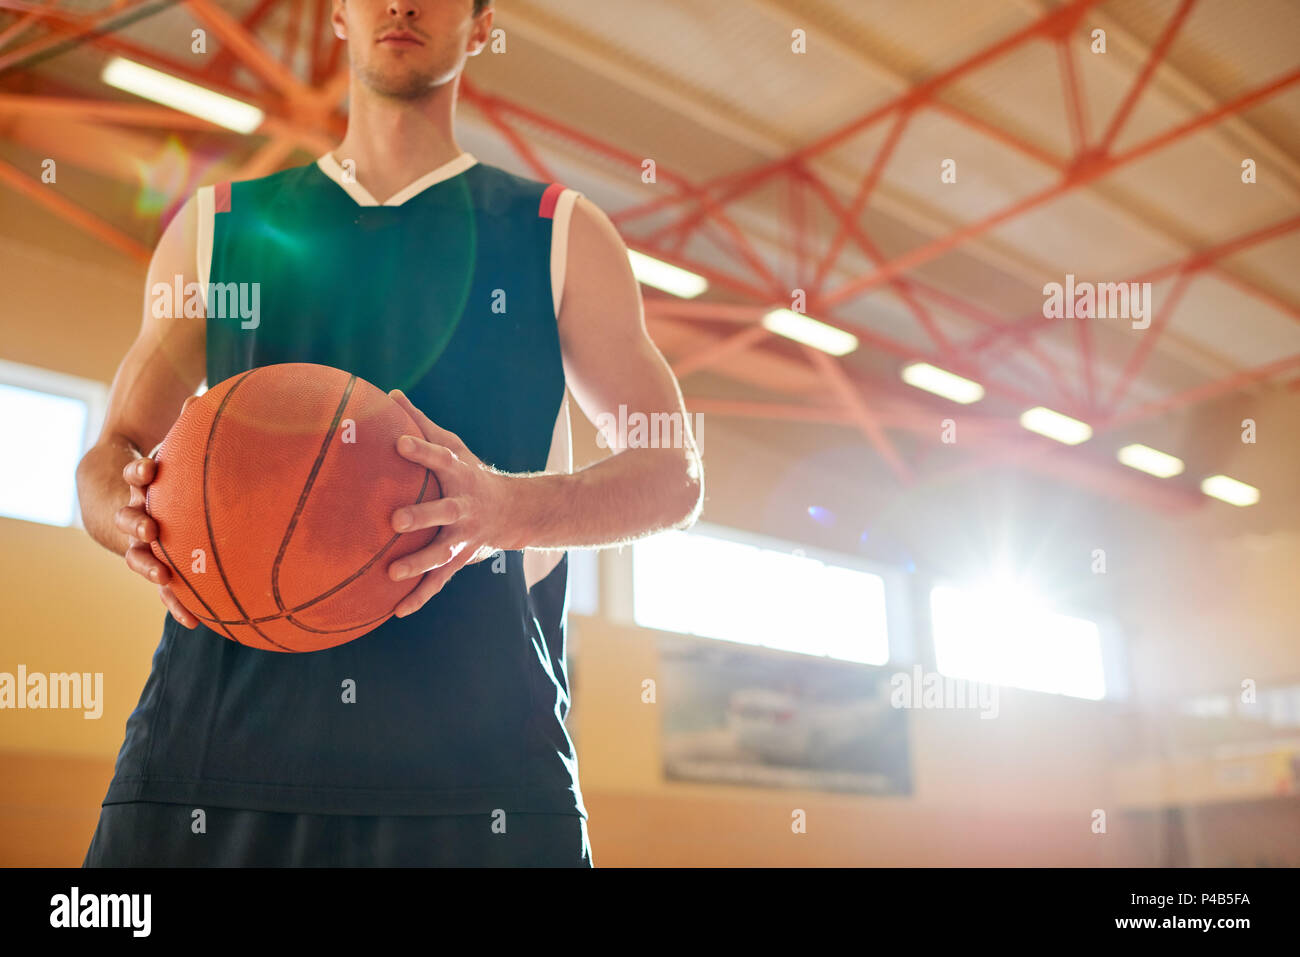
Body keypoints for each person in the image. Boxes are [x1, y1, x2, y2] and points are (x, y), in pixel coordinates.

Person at [74, 0, 703, 867]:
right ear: (338, 11)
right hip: (209, 762)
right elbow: (108, 458)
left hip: (481, 777)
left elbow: (675, 474)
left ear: (483, 25)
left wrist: (507, 510)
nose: (401, 3)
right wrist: (129, 520)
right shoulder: (221, 227)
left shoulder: (557, 231)